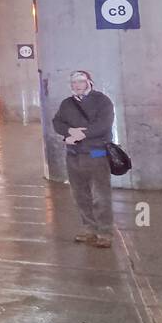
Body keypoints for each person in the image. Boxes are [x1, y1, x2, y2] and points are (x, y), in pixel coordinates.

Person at [51, 69, 116, 248]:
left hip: (96, 153)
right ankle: (89, 228)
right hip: (74, 155)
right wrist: (69, 132)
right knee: (80, 194)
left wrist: (81, 135)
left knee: (100, 195)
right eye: (74, 83)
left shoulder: (102, 101)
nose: (77, 86)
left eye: (80, 82)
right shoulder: (67, 103)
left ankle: (104, 232)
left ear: (89, 82)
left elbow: (104, 125)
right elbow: (57, 122)